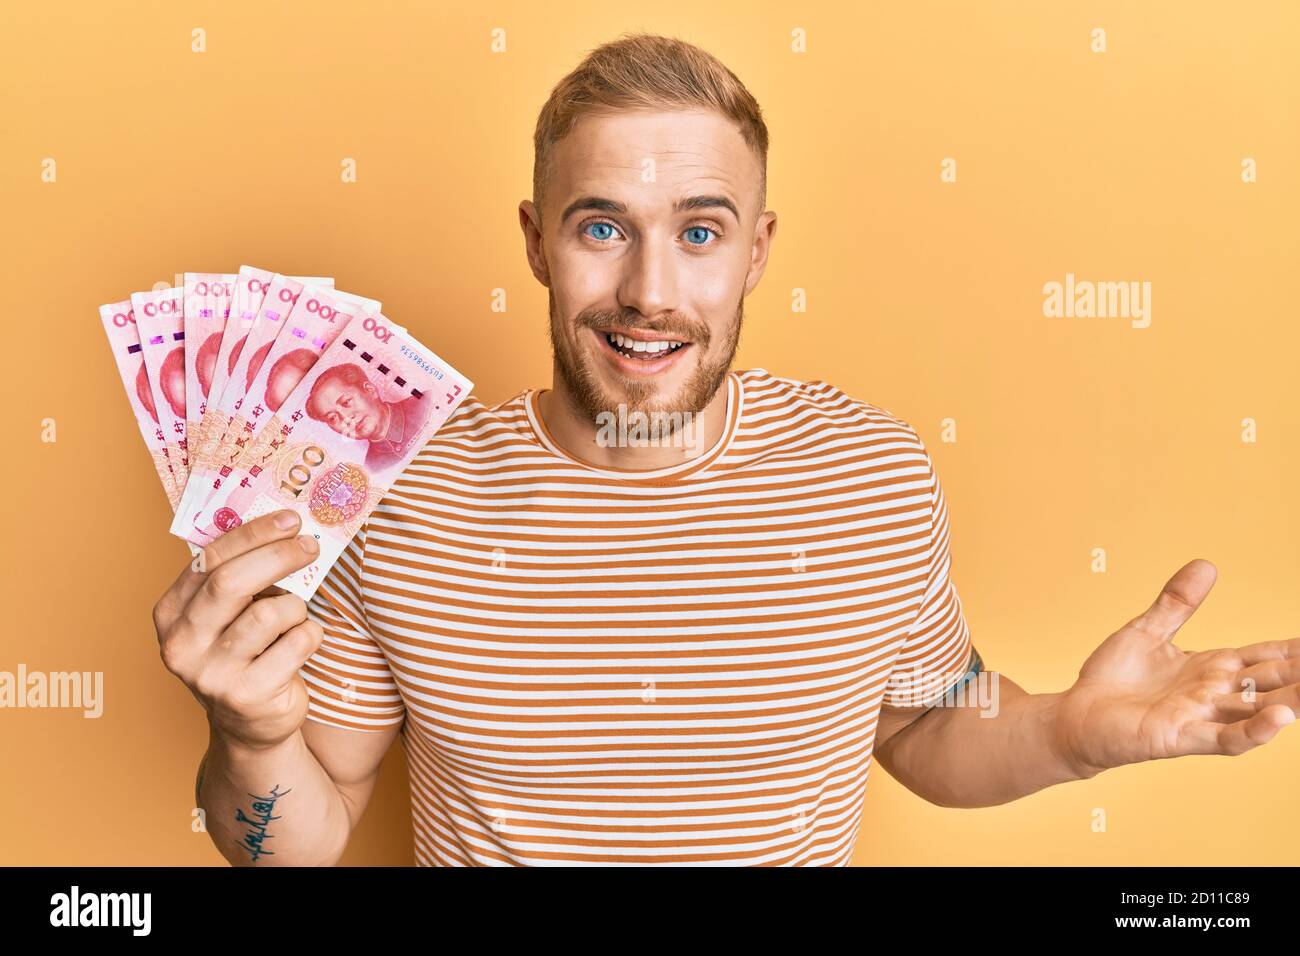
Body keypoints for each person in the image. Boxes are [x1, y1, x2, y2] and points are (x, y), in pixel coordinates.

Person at [152, 33, 1298, 867]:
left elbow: (921, 720)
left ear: (755, 251)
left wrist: (1069, 731)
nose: (649, 293)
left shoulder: (873, 474)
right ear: (536, 243)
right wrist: (250, 736)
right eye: (601, 226)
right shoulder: (401, 499)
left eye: (698, 232)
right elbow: (295, 840)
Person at [301, 361, 433, 471]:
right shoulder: (371, 468)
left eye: (346, 402)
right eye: (333, 418)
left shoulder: (428, 405)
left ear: (370, 389)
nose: (346, 418)